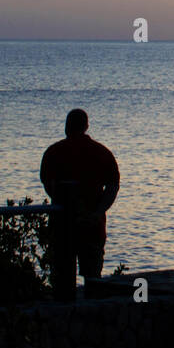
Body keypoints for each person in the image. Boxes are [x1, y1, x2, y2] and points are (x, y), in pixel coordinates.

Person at [39, 109, 120, 283]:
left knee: (61, 278)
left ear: (67, 126)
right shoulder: (102, 152)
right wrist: (98, 211)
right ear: (86, 126)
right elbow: (113, 187)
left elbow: (47, 184)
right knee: (93, 279)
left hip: (62, 224)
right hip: (93, 225)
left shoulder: (53, 152)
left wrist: (65, 203)